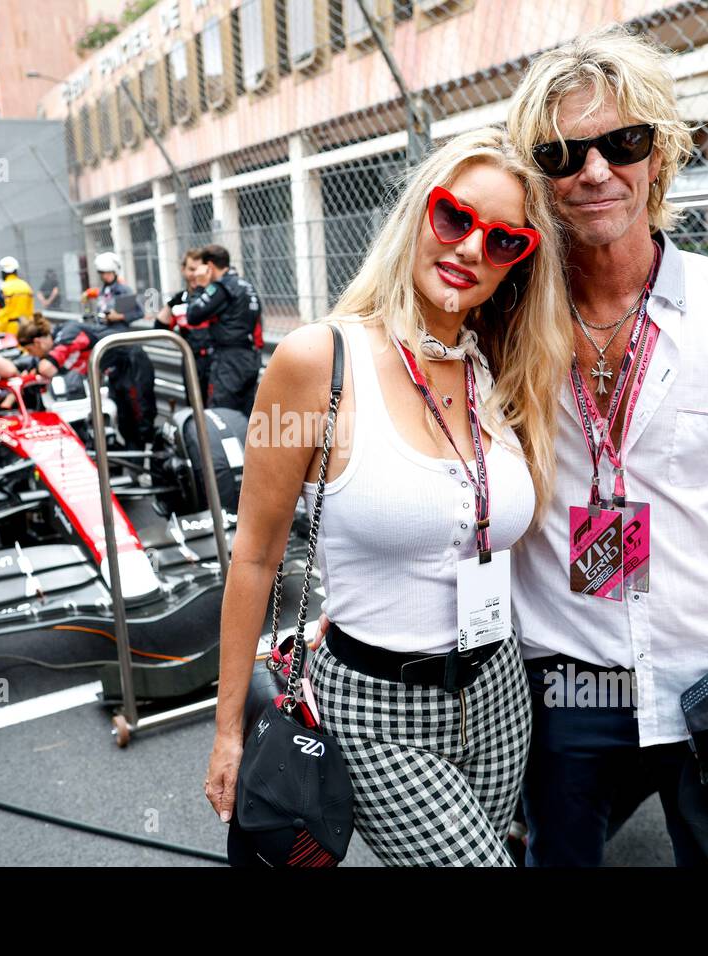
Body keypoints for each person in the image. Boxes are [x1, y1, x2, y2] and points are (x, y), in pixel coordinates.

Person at [504, 27, 708, 867]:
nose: (596, 169)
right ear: (537, 175)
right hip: (566, 677)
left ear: (662, 152)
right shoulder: (502, 323)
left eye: (623, 141)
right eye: (563, 153)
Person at [203, 127, 569, 865]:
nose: (471, 248)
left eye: (504, 242)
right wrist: (227, 729)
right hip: (375, 709)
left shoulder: (495, 367)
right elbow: (255, 554)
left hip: (499, 691)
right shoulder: (319, 359)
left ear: (517, 270)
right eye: (455, 217)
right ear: (416, 216)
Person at [17, 311, 157, 451]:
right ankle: (135, 466)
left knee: (141, 419)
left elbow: (47, 368)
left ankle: (156, 456)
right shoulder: (52, 345)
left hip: (132, 362)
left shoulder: (68, 332)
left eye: (30, 350)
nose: (31, 354)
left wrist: (37, 369)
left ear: (37, 342)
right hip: (114, 371)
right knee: (125, 423)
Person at [184, 244, 263, 417]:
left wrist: (200, 287)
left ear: (210, 267)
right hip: (250, 358)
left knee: (221, 416)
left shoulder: (220, 287)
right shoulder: (247, 286)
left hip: (229, 362)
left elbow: (193, 315)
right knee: (246, 416)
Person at [156, 247, 214, 398]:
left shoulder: (215, 294)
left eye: (199, 270)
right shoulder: (179, 300)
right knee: (194, 405)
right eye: (191, 269)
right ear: (183, 270)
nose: (195, 275)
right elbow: (159, 328)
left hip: (216, 361)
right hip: (191, 361)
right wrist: (171, 303)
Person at [92, 252, 143, 324]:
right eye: (102, 273)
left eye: (108, 273)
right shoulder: (102, 291)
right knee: (75, 326)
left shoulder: (124, 290)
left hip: (116, 329)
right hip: (100, 327)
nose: (105, 276)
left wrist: (119, 316)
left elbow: (140, 312)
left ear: (115, 272)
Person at [0, 256, 35, 335]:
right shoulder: (26, 286)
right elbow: (30, 310)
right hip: (26, 328)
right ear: (16, 270)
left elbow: (3, 314)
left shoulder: (3, 288)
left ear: (3, 272)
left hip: (10, 330)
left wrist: (0, 332)